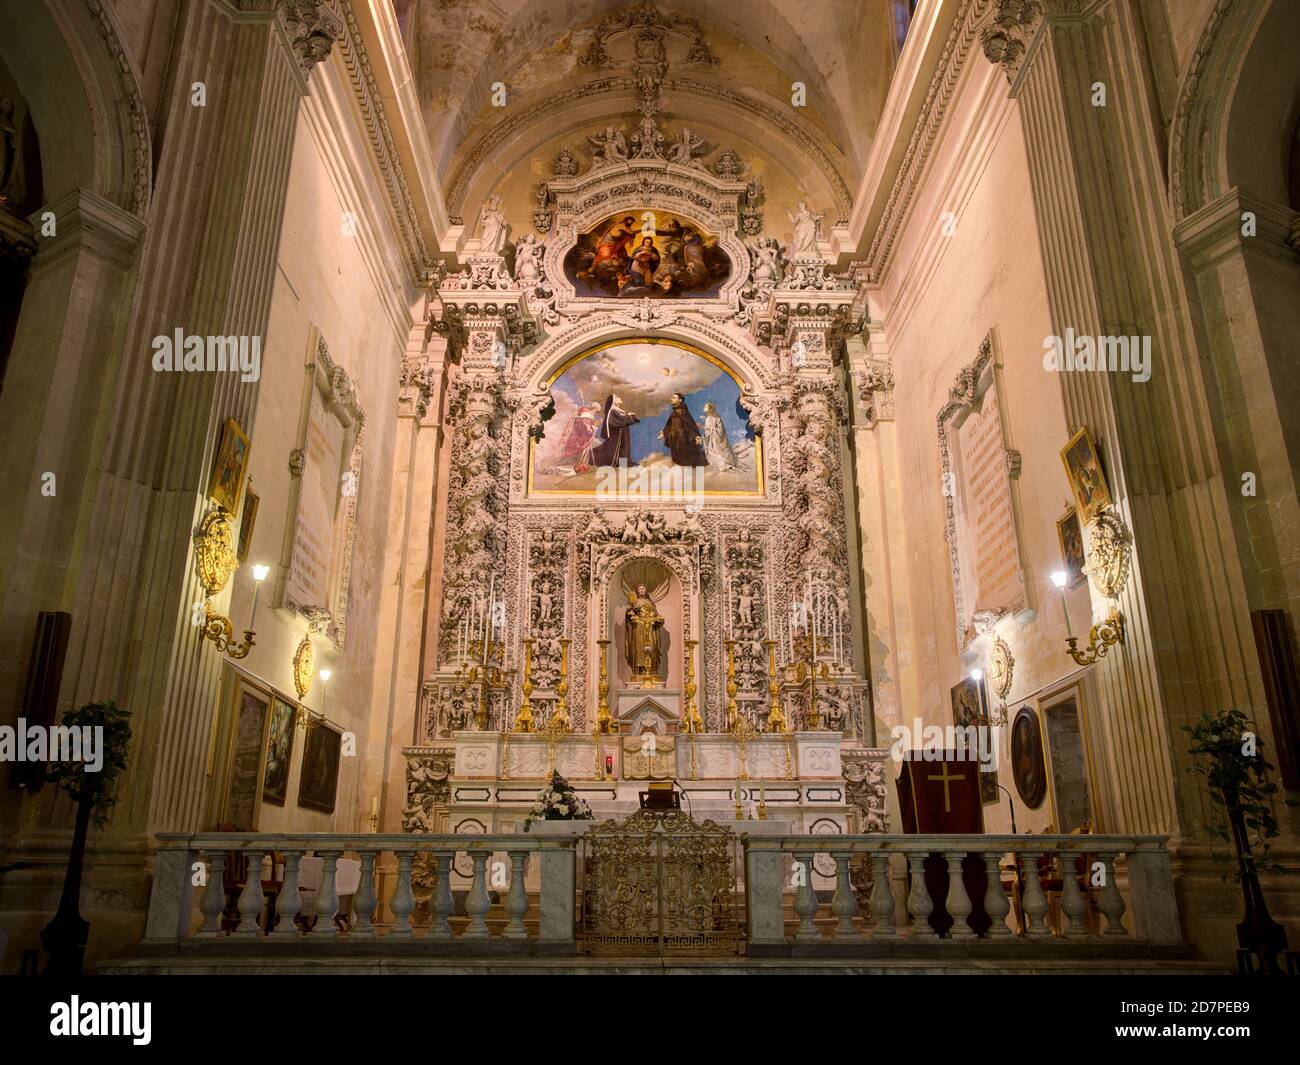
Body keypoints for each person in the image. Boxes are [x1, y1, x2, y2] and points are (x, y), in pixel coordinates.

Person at [659, 392, 708, 466]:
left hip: (682, 438)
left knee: (685, 458)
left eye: (674, 398)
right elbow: (668, 425)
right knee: (677, 458)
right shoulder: (674, 412)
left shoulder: (683, 412)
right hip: (674, 438)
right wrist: (664, 432)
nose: (671, 399)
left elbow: (691, 425)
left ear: (680, 400)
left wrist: (696, 435)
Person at [591, 394, 640, 467]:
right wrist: (629, 416)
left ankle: (624, 463)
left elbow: (622, 418)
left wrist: (628, 415)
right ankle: (622, 464)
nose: (620, 397)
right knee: (621, 448)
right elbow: (618, 420)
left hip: (623, 432)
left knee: (624, 448)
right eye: (617, 397)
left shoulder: (617, 410)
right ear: (613, 401)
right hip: (618, 434)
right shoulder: (612, 411)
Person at [701, 401, 739, 470]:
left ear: (710, 408)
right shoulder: (708, 417)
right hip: (711, 438)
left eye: (706, 406)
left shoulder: (715, 417)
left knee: (717, 452)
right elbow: (709, 428)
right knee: (712, 452)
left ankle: (725, 465)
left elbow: (718, 429)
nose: (704, 407)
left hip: (715, 438)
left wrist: (701, 427)